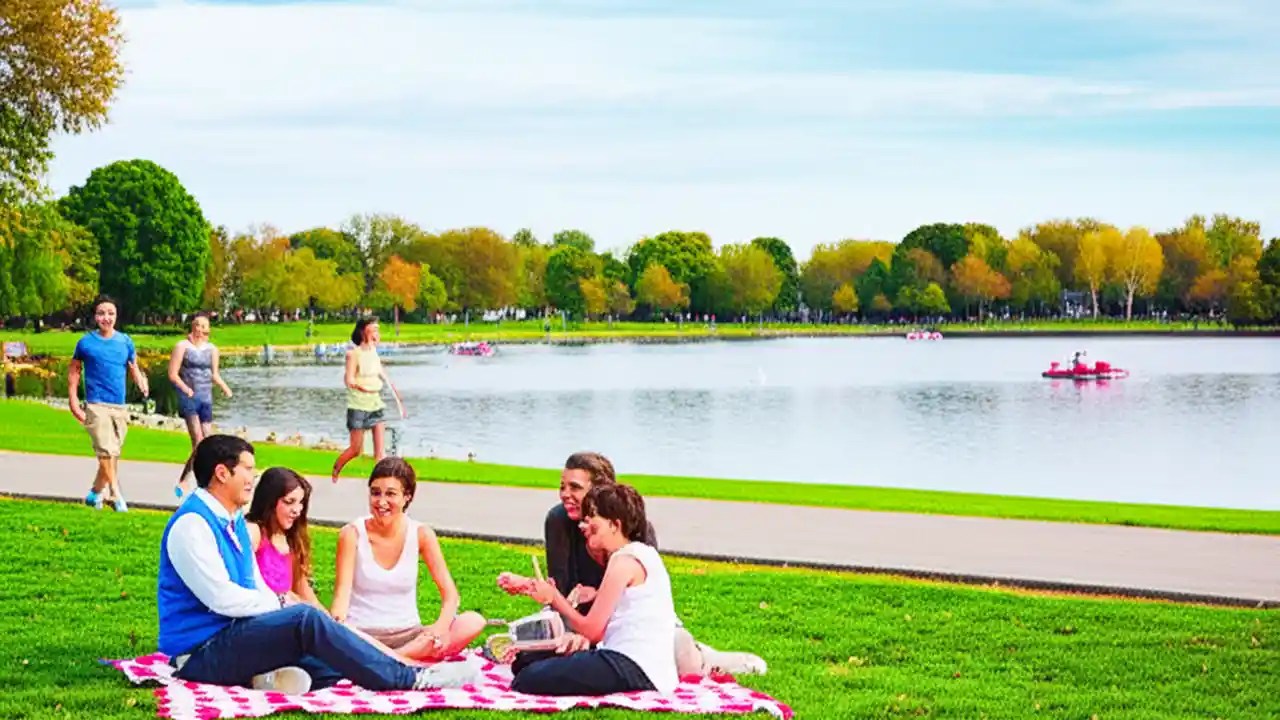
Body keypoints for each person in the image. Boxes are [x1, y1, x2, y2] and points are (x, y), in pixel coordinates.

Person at [158, 434, 477, 694]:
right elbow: (221, 599)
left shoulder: (233, 522)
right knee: (305, 620)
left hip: (235, 639)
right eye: (248, 470)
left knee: (333, 662)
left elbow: (252, 584)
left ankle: (265, 677)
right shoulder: (192, 525)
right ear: (222, 473)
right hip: (199, 655)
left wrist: (280, 611)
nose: (253, 479)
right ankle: (409, 678)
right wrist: (281, 603)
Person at [498, 452, 766, 677]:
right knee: (530, 659)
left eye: (575, 488)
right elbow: (564, 588)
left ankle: (702, 656)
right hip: (584, 616)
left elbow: (643, 598)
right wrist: (533, 588)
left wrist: (588, 627)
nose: (565, 494)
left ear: (601, 492)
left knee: (677, 656)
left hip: (631, 624)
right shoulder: (557, 521)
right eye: (562, 486)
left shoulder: (634, 529)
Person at [511, 483, 677, 696]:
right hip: (634, 662)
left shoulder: (624, 561)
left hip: (632, 664)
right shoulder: (641, 554)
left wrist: (554, 597)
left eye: (593, 520)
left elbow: (592, 630)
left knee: (527, 678)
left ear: (615, 525)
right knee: (525, 662)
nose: (585, 525)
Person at [330, 457, 486, 661]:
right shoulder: (351, 534)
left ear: (407, 497)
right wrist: (337, 628)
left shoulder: (421, 534)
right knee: (337, 639)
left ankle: (386, 660)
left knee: (473, 621)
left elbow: (450, 596)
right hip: (362, 635)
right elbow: (341, 597)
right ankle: (393, 661)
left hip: (409, 636)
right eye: (375, 493)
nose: (381, 501)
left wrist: (437, 630)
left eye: (391, 494)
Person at [68, 295, 149, 512]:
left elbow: (133, 366)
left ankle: (94, 493)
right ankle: (115, 493)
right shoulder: (86, 343)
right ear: (95, 316)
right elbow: (74, 371)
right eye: (102, 313)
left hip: (119, 405)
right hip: (96, 404)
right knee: (105, 450)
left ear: (116, 316)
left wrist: (141, 381)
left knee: (113, 451)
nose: (106, 318)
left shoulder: (125, 341)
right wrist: (73, 399)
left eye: (110, 313)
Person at [331, 316, 406, 483]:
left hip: (375, 404)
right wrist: (361, 387)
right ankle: (337, 466)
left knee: (380, 453)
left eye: (378, 329)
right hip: (358, 406)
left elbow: (383, 375)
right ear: (364, 331)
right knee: (356, 449)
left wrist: (397, 397)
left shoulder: (374, 353)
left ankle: (380, 483)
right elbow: (349, 379)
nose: (377, 333)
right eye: (374, 329)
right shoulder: (353, 354)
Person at [169, 313, 233, 494]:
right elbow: (172, 374)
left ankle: (205, 482)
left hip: (205, 398)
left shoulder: (212, 349)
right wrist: (185, 388)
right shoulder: (182, 346)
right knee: (198, 441)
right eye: (199, 325)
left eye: (205, 326)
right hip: (189, 398)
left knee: (208, 442)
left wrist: (224, 387)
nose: (202, 329)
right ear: (193, 326)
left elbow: (215, 374)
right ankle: (184, 481)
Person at [245, 467, 323, 608]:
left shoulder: (291, 540)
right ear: (270, 501)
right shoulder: (254, 532)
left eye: (301, 503)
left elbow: (305, 592)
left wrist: (333, 625)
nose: (297, 510)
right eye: (289, 502)